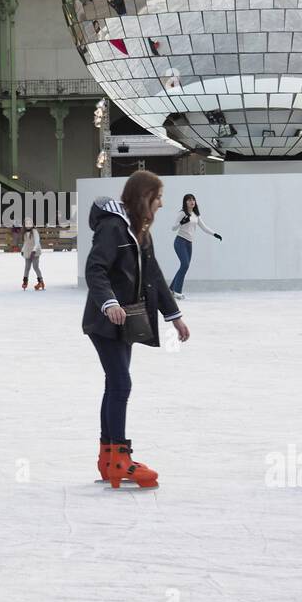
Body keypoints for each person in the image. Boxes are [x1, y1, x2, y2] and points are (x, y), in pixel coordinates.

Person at [83, 170, 189, 490]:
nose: (162, 203)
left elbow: (153, 274)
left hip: (126, 320)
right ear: (145, 197)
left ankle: (108, 456)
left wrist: (174, 316)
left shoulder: (139, 230)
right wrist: (109, 302)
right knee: (121, 384)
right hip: (106, 321)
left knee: (115, 385)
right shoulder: (113, 227)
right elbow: (95, 268)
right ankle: (119, 459)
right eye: (158, 197)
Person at [169, 193, 222, 299]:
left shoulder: (195, 215)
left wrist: (214, 234)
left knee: (184, 266)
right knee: (184, 265)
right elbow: (173, 228)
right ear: (185, 202)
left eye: (193, 199)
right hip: (180, 242)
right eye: (189, 200)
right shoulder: (182, 213)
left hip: (189, 244)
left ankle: (171, 290)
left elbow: (204, 227)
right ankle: (177, 292)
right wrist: (182, 222)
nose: (192, 201)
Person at [21, 220, 44, 290]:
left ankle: (41, 282)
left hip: (35, 252)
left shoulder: (34, 231)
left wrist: (34, 251)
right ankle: (25, 282)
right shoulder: (24, 233)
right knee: (27, 267)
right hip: (27, 251)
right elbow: (25, 243)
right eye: (26, 224)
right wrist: (22, 250)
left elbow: (37, 242)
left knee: (35, 267)